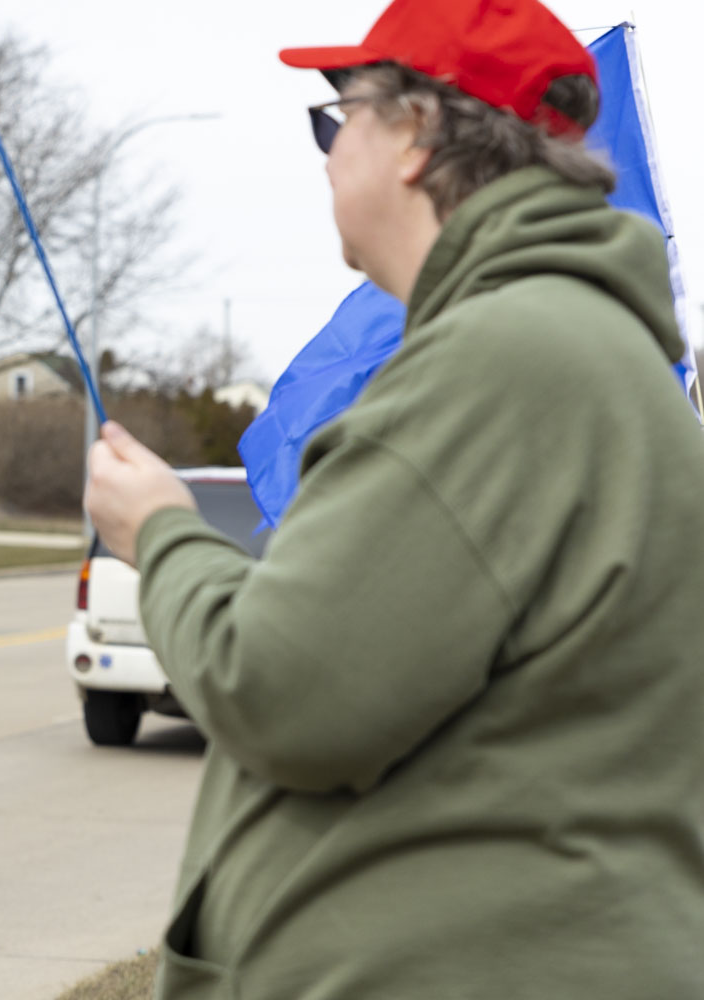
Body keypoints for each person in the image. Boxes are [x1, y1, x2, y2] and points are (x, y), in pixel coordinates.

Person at [84, 1, 704, 997]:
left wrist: (158, 530)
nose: (328, 157)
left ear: (415, 135)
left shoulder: (502, 359)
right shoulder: (567, 347)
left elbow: (279, 684)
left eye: (337, 123)